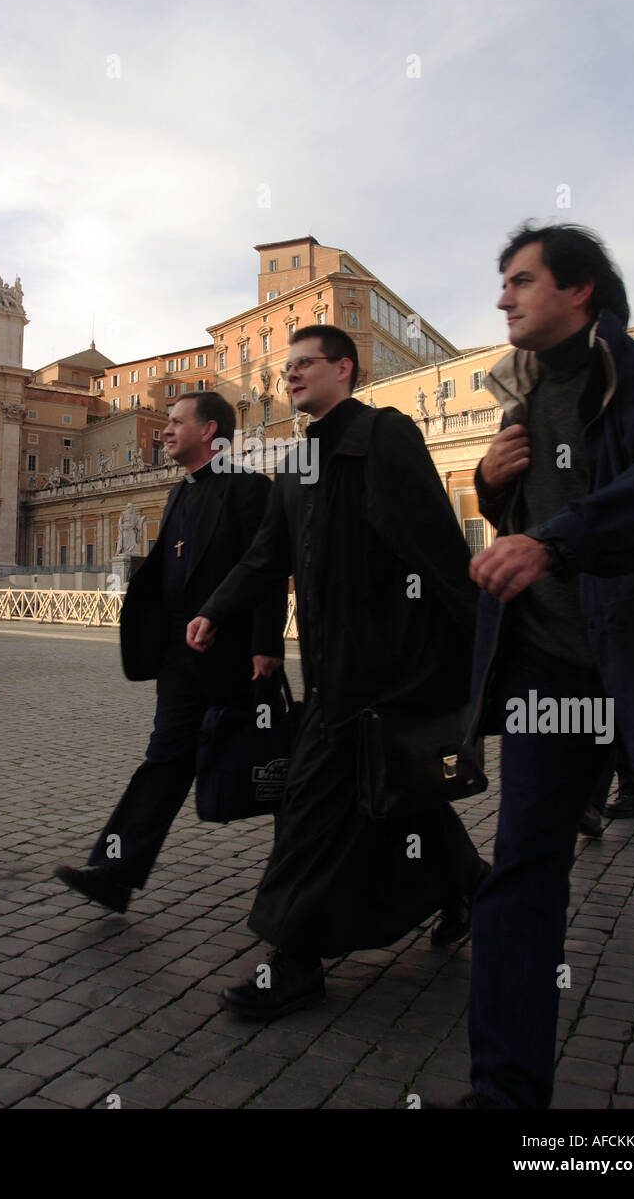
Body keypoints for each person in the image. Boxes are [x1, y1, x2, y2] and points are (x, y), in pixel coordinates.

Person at [453, 222, 634, 1110]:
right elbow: (525, 521)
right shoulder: (517, 406)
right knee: (520, 877)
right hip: (552, 674)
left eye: (520, 280)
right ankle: (505, 1098)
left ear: (580, 290)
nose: (503, 297)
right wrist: (488, 483)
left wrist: (556, 544)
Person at [187, 326, 489, 1021]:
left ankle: (293, 962)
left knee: (308, 805)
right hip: (331, 669)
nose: (289, 376)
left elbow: (435, 544)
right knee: (393, 791)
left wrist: (474, 643)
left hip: (388, 667)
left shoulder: (385, 436)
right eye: (286, 367)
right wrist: (217, 609)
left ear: (344, 369)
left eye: (304, 365)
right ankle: (469, 883)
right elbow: (268, 556)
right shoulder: (293, 465)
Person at [55, 392, 286, 915]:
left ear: (209, 431)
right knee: (164, 760)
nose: (165, 430)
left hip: (236, 658)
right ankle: (116, 873)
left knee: (274, 769)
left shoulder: (250, 489)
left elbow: (267, 566)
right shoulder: (180, 494)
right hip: (182, 660)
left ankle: (302, 885)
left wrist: (266, 645)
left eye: (176, 422)